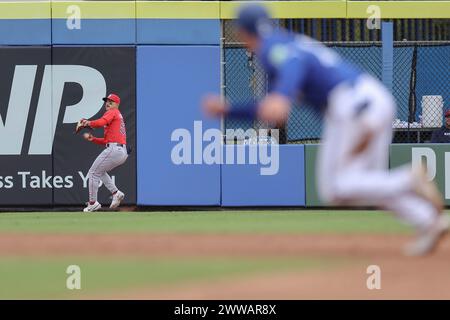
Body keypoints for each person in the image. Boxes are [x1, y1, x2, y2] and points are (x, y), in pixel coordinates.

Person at [202, 4, 449, 256]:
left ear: (244, 31)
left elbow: (292, 65)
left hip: (351, 106)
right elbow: (270, 106)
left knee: (336, 188)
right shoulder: (284, 42)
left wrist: (283, 95)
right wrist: (229, 111)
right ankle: (429, 221)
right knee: (363, 183)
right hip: (370, 102)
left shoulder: (272, 47)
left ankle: (407, 179)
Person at [79, 93, 128, 212]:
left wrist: (87, 122)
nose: (108, 103)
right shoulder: (116, 116)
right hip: (121, 151)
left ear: (117, 104)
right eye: (107, 101)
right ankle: (116, 193)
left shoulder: (112, 112)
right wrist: (93, 139)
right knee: (100, 171)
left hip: (114, 149)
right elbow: (107, 140)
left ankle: (92, 203)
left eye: (111, 101)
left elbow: (101, 122)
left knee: (93, 172)